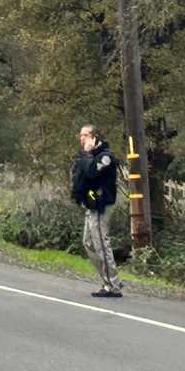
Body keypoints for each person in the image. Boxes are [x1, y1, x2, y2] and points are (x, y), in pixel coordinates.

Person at [71, 124, 123, 298]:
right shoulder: (87, 156)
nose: (81, 139)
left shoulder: (105, 157)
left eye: (85, 135)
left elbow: (92, 172)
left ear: (94, 138)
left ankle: (112, 285)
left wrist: (86, 153)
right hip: (90, 206)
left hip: (101, 206)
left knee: (101, 242)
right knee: (88, 242)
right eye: (80, 135)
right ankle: (108, 279)